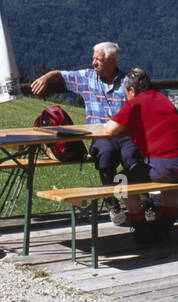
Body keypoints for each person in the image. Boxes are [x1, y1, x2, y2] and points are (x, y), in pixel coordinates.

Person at [30, 42, 136, 225]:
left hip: (124, 135)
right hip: (100, 136)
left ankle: (131, 200)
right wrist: (45, 79)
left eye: (98, 59)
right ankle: (112, 201)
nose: (93, 62)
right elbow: (61, 75)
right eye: (93, 58)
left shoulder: (127, 83)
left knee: (133, 158)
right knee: (105, 155)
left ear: (111, 61)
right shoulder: (88, 77)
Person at [100, 68, 178, 243]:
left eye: (126, 93)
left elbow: (110, 129)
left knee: (122, 178)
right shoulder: (163, 99)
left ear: (131, 91)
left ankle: (139, 225)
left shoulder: (134, 103)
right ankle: (165, 224)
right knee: (169, 174)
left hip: (169, 167)